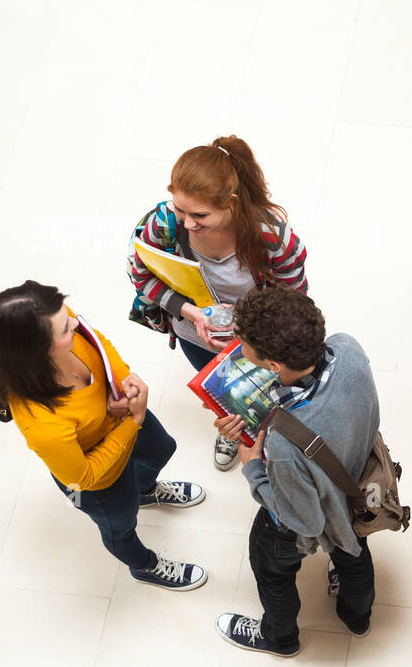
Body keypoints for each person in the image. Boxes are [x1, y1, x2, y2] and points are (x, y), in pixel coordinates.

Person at [0, 281, 207, 590]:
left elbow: (96, 340)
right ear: (36, 350)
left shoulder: (56, 320)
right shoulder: (42, 423)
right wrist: (133, 421)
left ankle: (144, 491)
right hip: (102, 480)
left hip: (123, 420)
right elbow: (82, 478)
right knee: (121, 528)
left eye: (68, 316)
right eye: (64, 329)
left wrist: (123, 377)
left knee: (162, 450)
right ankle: (143, 565)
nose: (74, 323)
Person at [213, 285, 380, 655]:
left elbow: (305, 523)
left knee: (271, 569)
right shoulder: (348, 347)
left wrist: (255, 469)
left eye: (244, 344)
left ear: (273, 365)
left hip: (302, 518)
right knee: (353, 554)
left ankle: (280, 638)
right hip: (355, 486)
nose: (238, 347)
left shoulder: (285, 447)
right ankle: (357, 618)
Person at [128, 135, 308, 471]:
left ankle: (280, 436)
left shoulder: (272, 238)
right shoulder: (164, 223)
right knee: (224, 392)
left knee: (269, 391)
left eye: (200, 215)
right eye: (179, 209)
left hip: (259, 341)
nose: (187, 223)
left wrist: (244, 331)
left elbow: (294, 304)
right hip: (194, 336)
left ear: (231, 202)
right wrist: (191, 314)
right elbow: (140, 275)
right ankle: (235, 425)